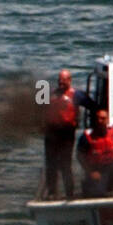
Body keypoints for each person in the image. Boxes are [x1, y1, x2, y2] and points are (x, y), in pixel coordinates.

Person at [43, 69, 94, 199]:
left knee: (65, 165)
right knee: (51, 164)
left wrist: (94, 126)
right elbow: (38, 108)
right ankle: (52, 192)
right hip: (51, 134)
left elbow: (93, 107)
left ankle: (69, 193)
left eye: (64, 80)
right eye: (59, 80)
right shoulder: (50, 93)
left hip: (66, 134)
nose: (61, 83)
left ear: (70, 81)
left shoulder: (77, 95)